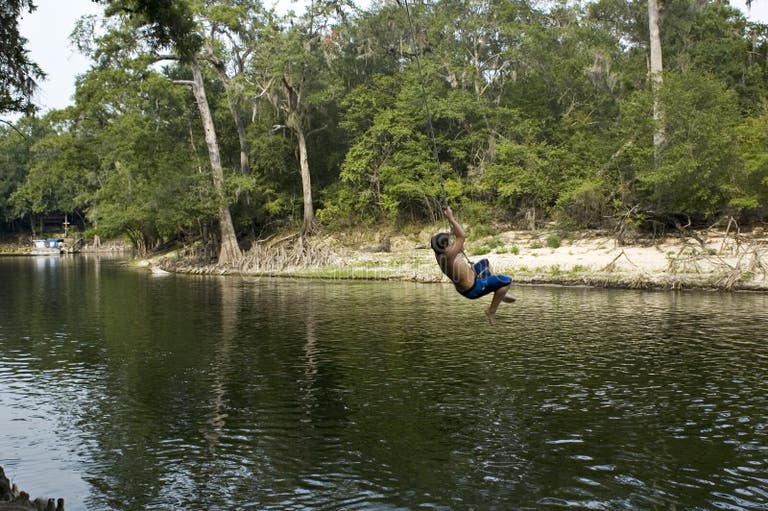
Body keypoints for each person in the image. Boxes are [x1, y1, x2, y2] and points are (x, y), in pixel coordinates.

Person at [431, 207, 514, 325]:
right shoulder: (449, 254)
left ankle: (498, 292)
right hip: (474, 289)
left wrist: (453, 233)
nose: (452, 243)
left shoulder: (439, 253)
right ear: (446, 247)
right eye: (450, 242)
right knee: (506, 281)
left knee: (485, 262)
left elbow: (456, 243)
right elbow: (462, 237)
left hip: (470, 280)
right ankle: (491, 311)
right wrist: (451, 218)